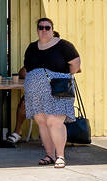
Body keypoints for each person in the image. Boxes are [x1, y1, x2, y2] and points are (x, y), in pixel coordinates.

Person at [21, 17, 81, 168]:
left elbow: (75, 64)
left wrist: (60, 77)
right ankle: (50, 155)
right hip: (35, 91)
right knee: (42, 121)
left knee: (54, 121)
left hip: (58, 89)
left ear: (52, 30)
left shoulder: (64, 45)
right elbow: (27, 68)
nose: (44, 30)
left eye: (47, 28)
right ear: (37, 30)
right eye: (41, 27)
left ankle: (60, 156)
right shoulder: (32, 47)